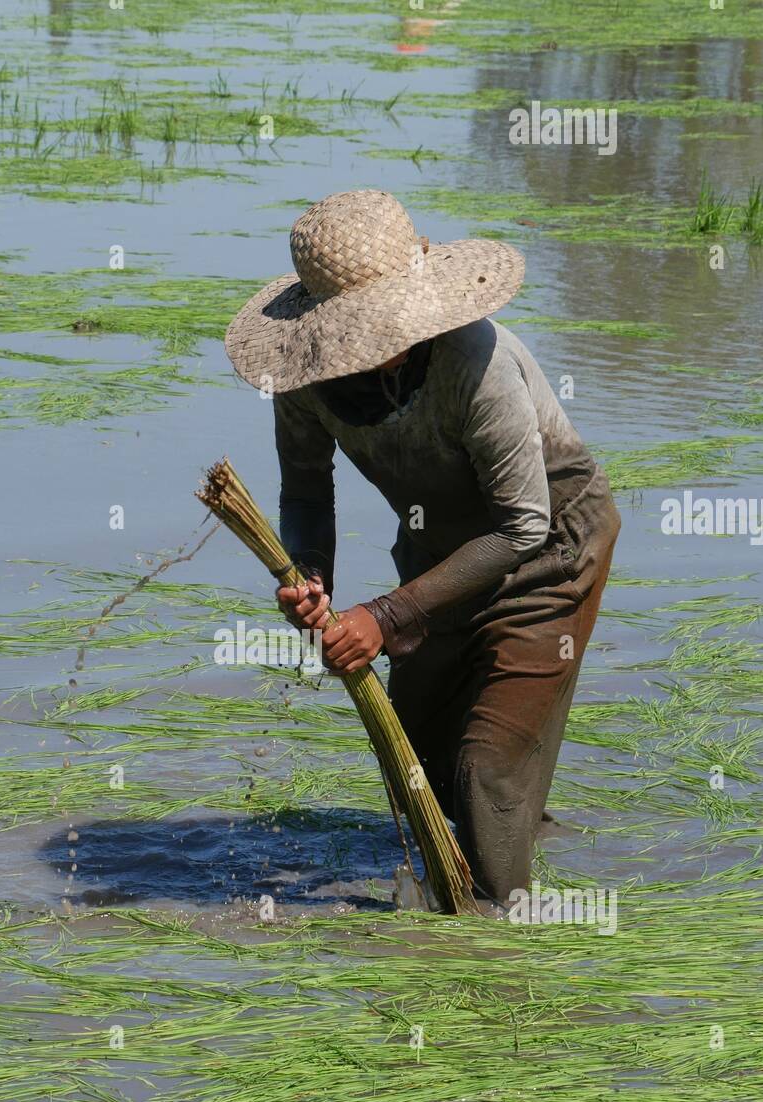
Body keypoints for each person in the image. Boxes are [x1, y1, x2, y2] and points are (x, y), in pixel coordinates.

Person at [224, 189, 620, 906]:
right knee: (418, 764)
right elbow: (307, 491)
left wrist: (386, 614)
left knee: (485, 770)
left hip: (548, 550)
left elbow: (521, 526)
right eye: (359, 331)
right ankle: (500, 854)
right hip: (437, 551)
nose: (375, 345)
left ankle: (498, 932)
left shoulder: (476, 362)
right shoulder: (306, 375)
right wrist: (309, 575)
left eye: (386, 325)